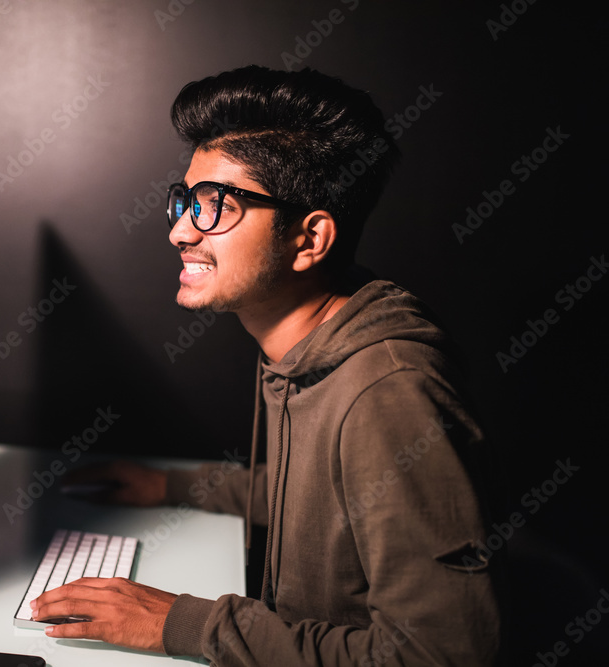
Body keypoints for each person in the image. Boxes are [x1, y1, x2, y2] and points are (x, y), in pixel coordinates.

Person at [30, 65, 501, 665]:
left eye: (215, 205)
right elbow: (318, 505)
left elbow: (443, 655)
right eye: (184, 200)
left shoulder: (390, 392)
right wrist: (172, 486)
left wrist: (183, 623)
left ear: (309, 240)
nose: (179, 231)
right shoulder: (306, 348)